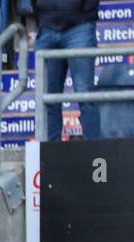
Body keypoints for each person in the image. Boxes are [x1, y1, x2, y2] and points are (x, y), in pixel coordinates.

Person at [35, 0, 101, 141]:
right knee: (48, 99)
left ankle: (94, 153)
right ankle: (50, 155)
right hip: (46, 28)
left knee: (86, 96)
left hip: (79, 28)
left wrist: (84, 15)